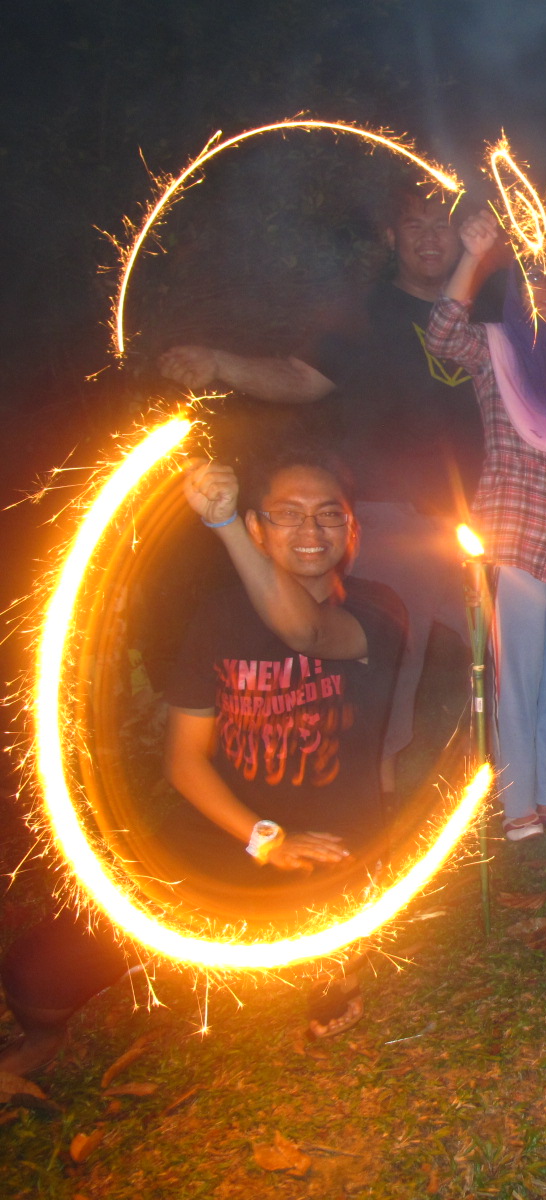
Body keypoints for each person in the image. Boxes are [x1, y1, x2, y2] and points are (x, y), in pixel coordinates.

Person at [1, 449, 406, 1067]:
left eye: (330, 514)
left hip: (330, 850)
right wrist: (265, 837)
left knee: (323, 970)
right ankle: (47, 1040)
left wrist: (221, 525)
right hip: (227, 833)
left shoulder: (378, 610)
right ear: (258, 529)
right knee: (36, 977)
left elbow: (307, 633)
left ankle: (329, 964)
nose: (311, 530)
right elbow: (184, 762)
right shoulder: (217, 618)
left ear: (353, 532)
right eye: (287, 514)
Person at [158, 188, 483, 793]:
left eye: (442, 225)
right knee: (390, 669)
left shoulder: (484, 315)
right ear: (391, 237)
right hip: (392, 523)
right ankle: (374, 800)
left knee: (503, 659)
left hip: (481, 523)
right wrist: (221, 364)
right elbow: (300, 375)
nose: (430, 237)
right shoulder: (368, 313)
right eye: (415, 224)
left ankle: (511, 791)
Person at [425, 213, 546, 837]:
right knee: (517, 671)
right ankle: (517, 803)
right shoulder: (494, 346)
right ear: (518, 287)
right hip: (515, 528)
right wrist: (472, 258)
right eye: (537, 277)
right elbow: (441, 335)